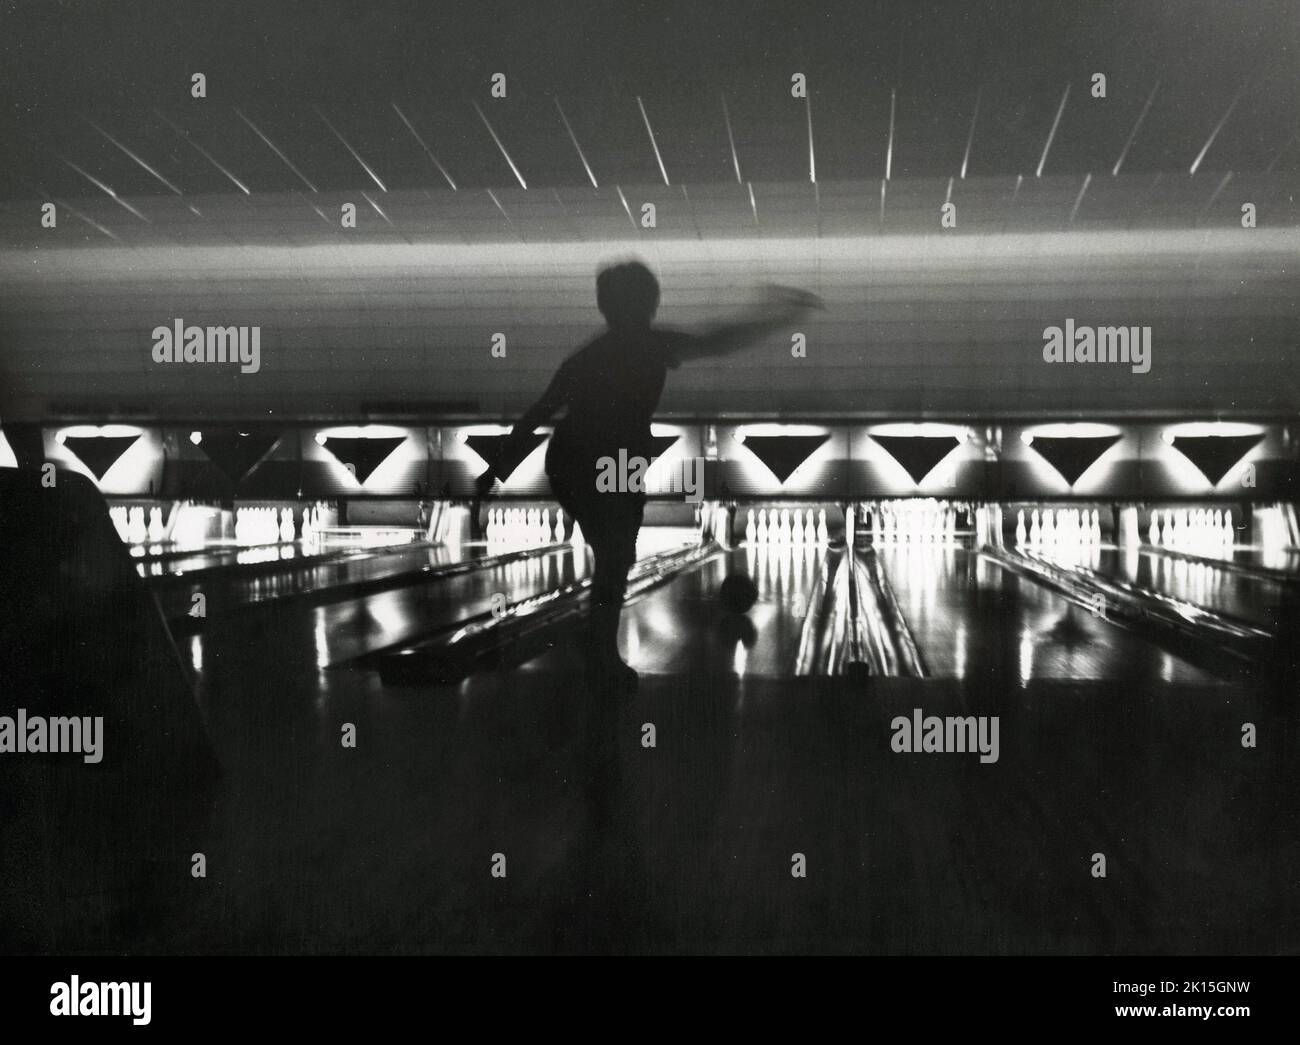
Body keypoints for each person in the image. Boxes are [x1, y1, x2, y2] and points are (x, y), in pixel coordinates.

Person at [476, 260, 822, 691]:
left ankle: (598, 642)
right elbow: (717, 341)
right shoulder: (648, 343)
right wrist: (779, 315)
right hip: (609, 459)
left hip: (572, 458)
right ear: (646, 303)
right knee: (616, 557)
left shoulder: (584, 357)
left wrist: (495, 471)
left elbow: (536, 415)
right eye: (647, 298)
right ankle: (601, 649)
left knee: (614, 557)